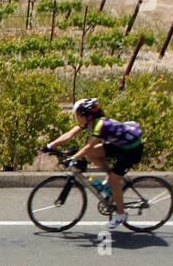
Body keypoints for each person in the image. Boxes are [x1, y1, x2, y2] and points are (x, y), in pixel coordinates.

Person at [46, 98, 143, 230]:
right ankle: (110, 180)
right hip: (120, 145)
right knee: (92, 154)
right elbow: (69, 134)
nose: (76, 118)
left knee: (114, 182)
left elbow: (89, 146)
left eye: (78, 115)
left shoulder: (101, 125)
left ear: (88, 116)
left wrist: (72, 158)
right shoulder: (89, 122)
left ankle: (121, 214)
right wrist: (49, 146)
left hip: (132, 150)